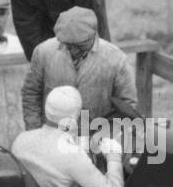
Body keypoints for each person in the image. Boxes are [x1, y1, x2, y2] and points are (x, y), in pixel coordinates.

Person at [11, 86, 124, 187]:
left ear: (47, 110)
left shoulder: (21, 140)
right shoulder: (72, 155)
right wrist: (114, 157)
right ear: (75, 115)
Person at [21, 7, 139, 135]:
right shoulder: (43, 52)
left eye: (80, 46)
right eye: (68, 46)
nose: (74, 51)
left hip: (96, 139)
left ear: (94, 35)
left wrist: (107, 138)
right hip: (53, 138)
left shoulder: (116, 59)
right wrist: (35, 131)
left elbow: (127, 106)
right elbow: (31, 93)